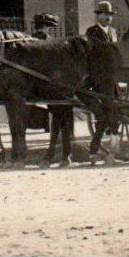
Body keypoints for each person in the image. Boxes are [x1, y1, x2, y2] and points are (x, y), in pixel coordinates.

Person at [33, 13, 75, 167]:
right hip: (52, 84)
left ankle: (57, 155)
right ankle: (64, 155)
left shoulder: (32, 40)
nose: (48, 30)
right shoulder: (47, 41)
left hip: (45, 85)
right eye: (49, 27)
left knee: (58, 120)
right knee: (60, 120)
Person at [85, 1, 121, 163]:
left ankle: (103, 149)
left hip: (112, 77)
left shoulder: (113, 32)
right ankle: (101, 149)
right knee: (107, 111)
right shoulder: (92, 32)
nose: (107, 17)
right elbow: (98, 50)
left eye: (109, 15)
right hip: (99, 77)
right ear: (98, 16)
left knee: (112, 110)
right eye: (103, 15)